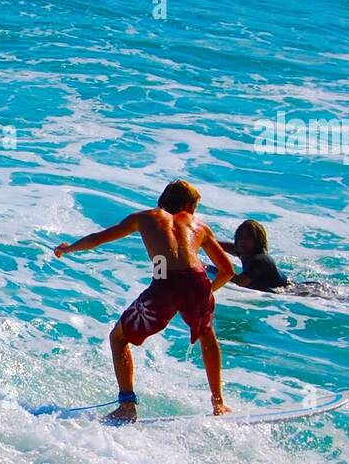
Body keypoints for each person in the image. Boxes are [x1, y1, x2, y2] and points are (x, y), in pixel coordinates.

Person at [53, 180, 234, 422]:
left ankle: (127, 406)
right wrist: (205, 292)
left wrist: (69, 249)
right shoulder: (198, 225)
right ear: (189, 206)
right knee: (207, 336)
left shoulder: (144, 217)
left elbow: (98, 239)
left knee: (118, 339)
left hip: (164, 283)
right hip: (197, 280)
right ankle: (218, 404)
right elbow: (228, 271)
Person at [219, 219, 290, 291]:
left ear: (258, 241)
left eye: (249, 237)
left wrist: (213, 270)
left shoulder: (259, 259)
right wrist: (208, 241)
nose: (243, 240)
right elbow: (218, 245)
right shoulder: (244, 250)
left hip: (290, 291)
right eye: (240, 236)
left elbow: (240, 282)